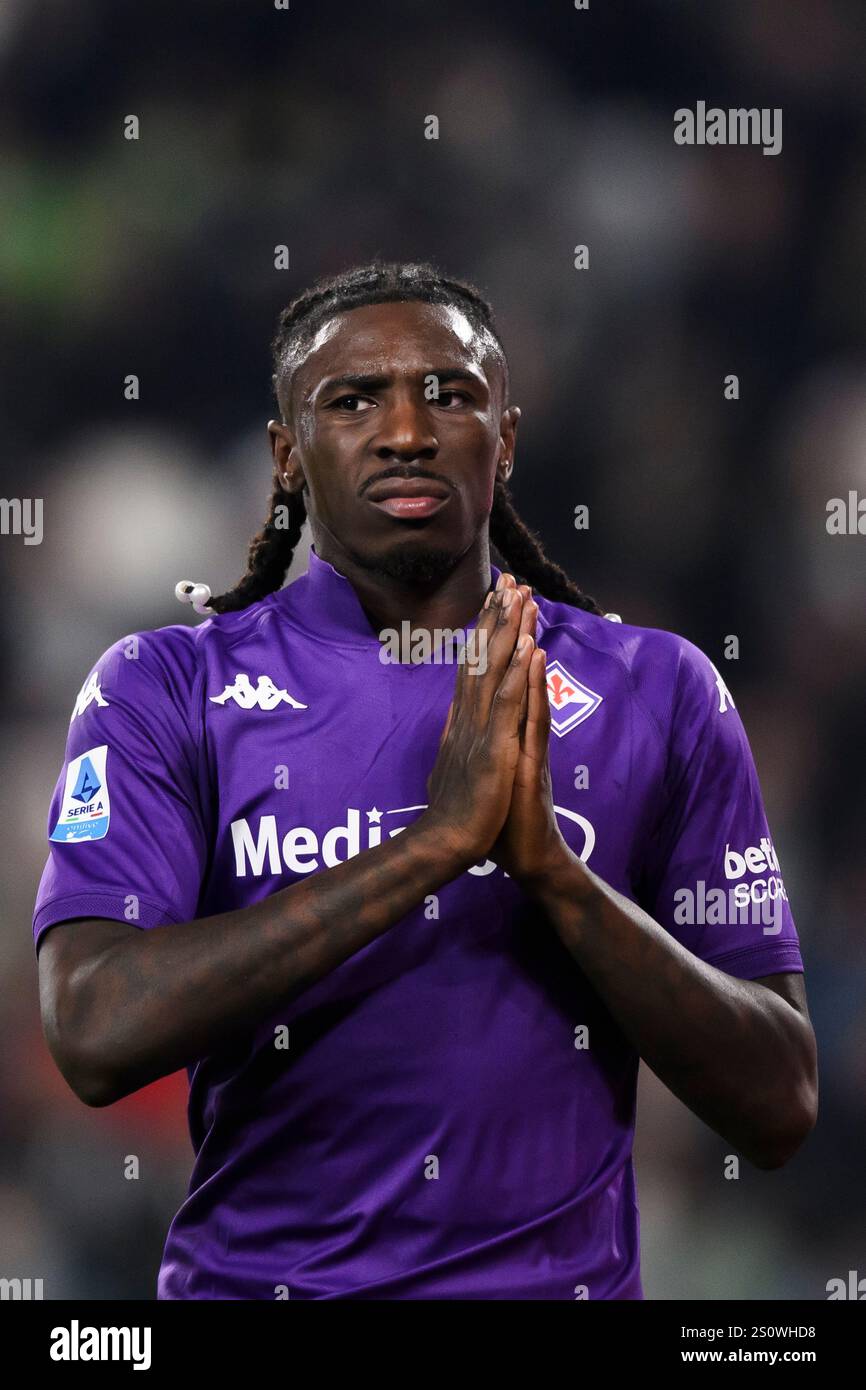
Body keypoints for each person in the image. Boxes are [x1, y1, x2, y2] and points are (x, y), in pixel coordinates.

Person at [33, 260, 817, 1300]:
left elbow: (776, 1101)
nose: (406, 431)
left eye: (449, 394)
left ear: (506, 437)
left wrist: (553, 874)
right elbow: (94, 1030)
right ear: (286, 457)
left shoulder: (655, 690)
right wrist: (431, 847)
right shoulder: (166, 690)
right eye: (352, 399)